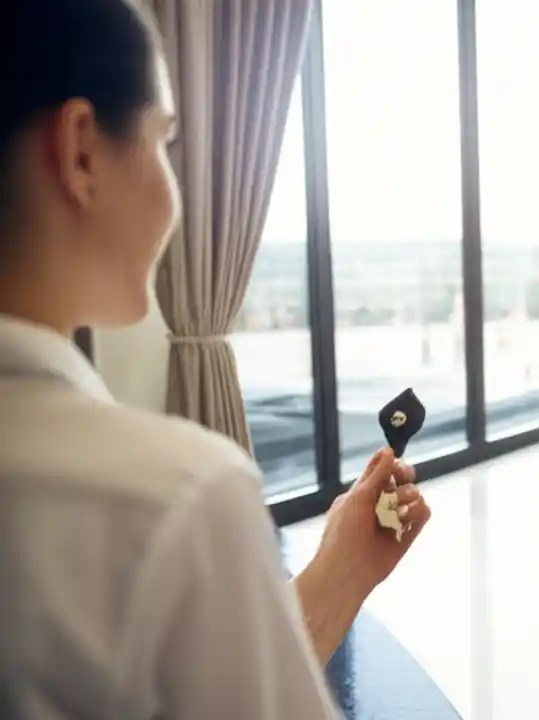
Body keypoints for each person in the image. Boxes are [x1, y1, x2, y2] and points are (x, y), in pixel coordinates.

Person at [0, 1, 430, 717]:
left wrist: (337, 574)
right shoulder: (171, 498)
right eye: (163, 143)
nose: (173, 189)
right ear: (81, 150)